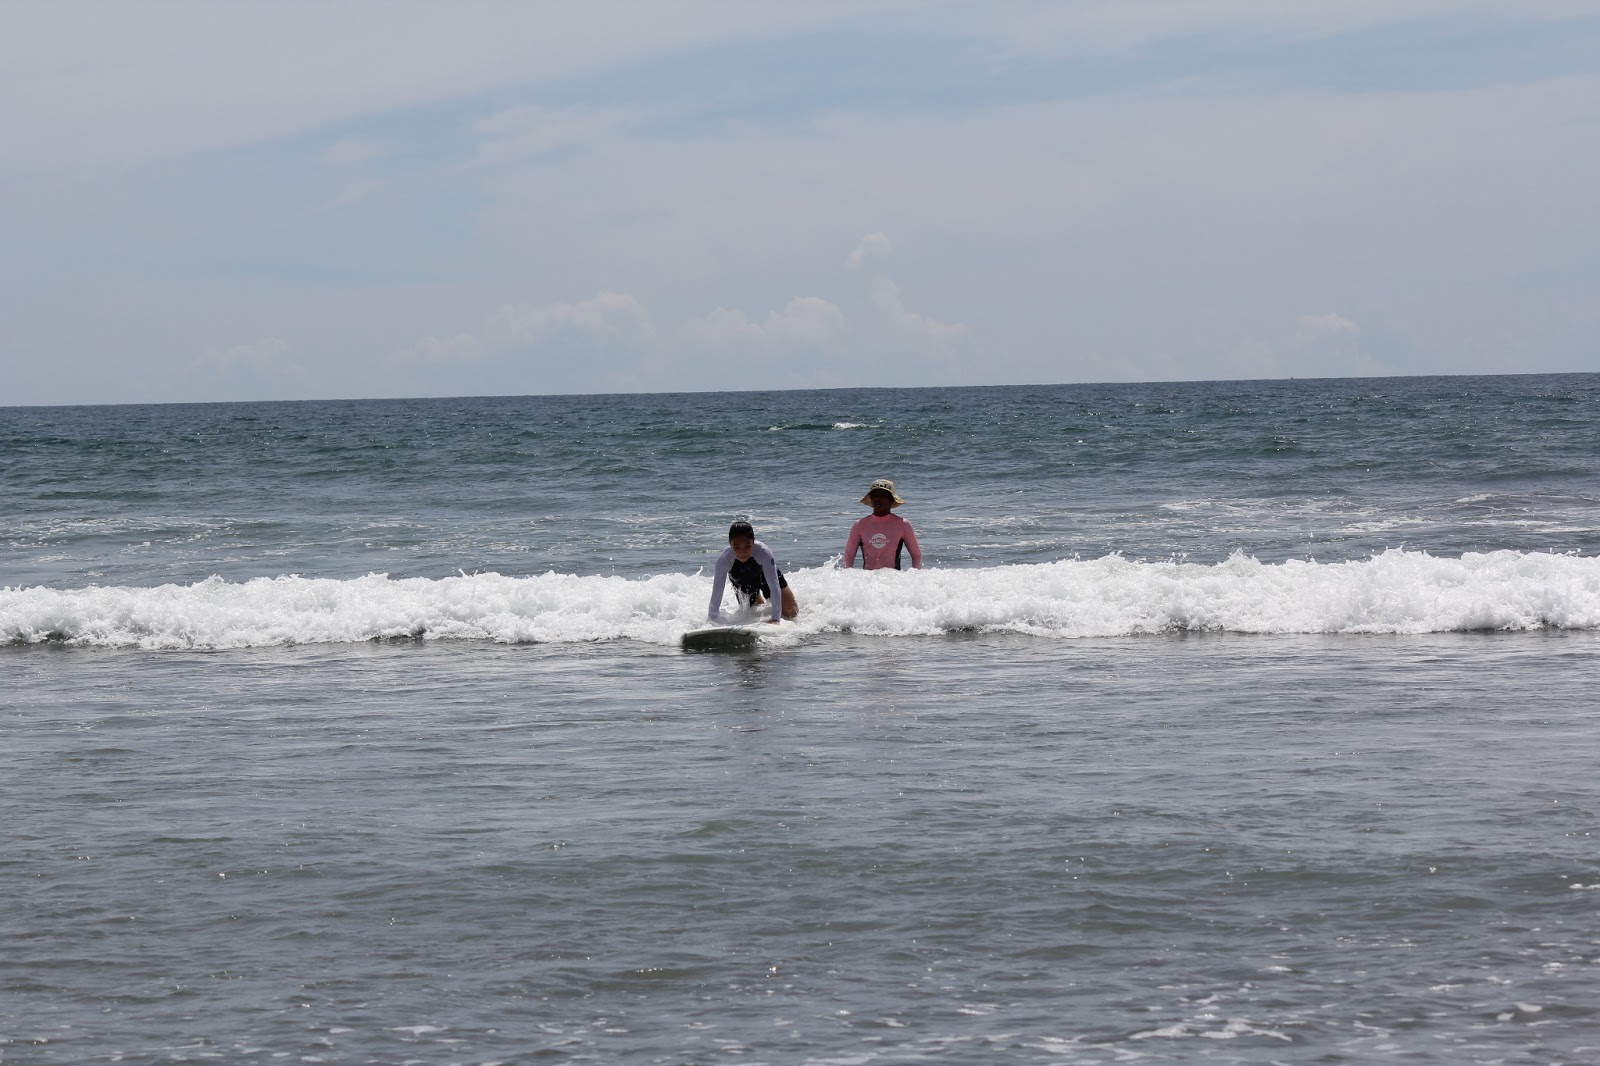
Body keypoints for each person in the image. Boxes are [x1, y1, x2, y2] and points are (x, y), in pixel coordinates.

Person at [708, 521, 799, 624]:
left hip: (765, 576)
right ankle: (757, 598)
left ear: (753, 542)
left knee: (792, 613)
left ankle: (768, 605)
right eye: (737, 547)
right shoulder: (724, 560)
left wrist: (775, 618)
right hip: (742, 579)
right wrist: (712, 620)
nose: (742, 551)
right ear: (730, 544)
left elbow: (774, 585)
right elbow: (717, 592)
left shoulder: (763, 552)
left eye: (747, 546)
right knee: (753, 613)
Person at [844, 479, 922, 570]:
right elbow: (848, 557)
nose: (878, 499)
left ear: (891, 499)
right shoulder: (859, 525)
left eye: (883, 495)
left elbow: (917, 556)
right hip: (866, 580)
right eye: (875, 495)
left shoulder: (903, 524)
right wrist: (848, 580)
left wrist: (915, 579)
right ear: (871, 499)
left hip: (894, 579)